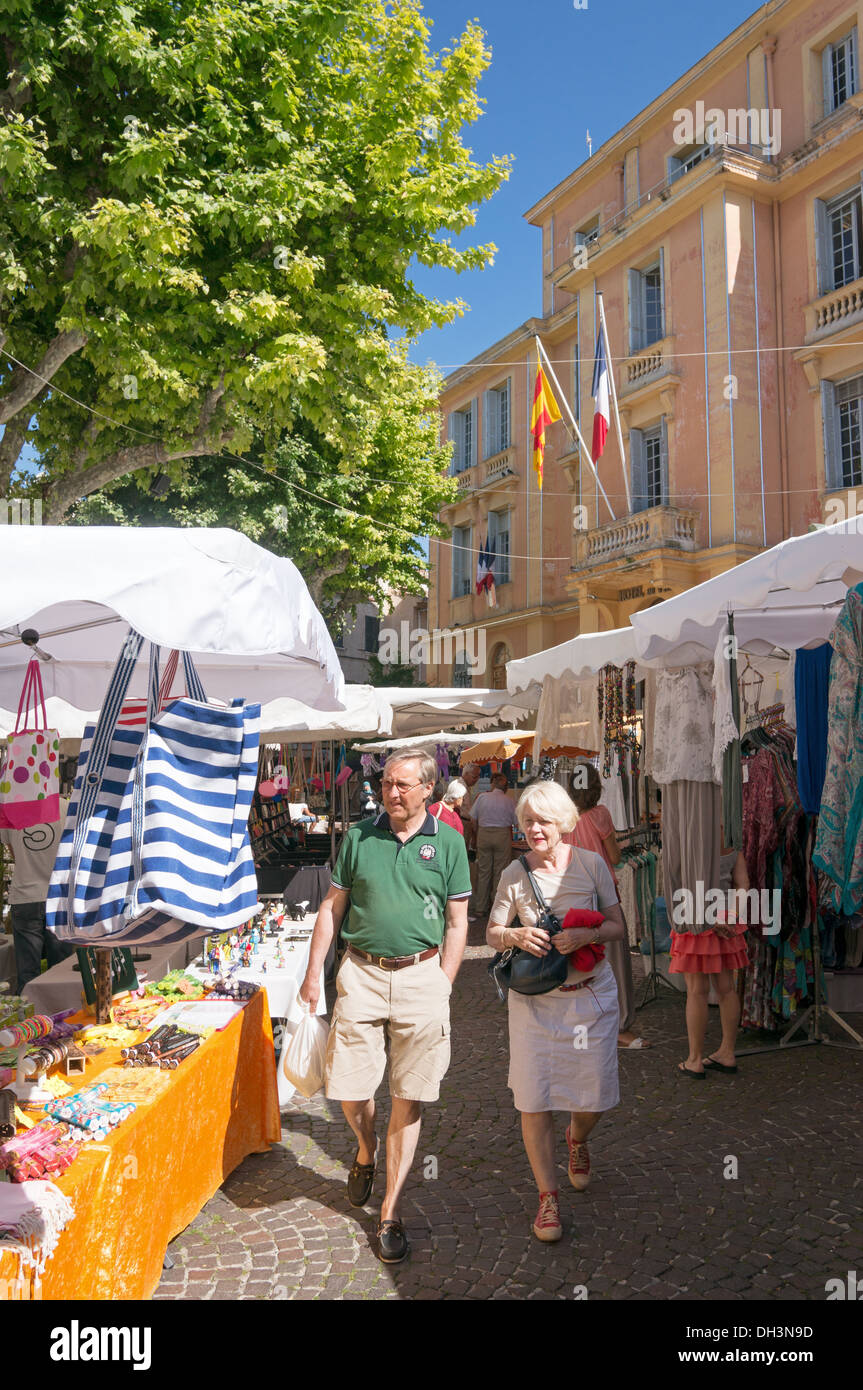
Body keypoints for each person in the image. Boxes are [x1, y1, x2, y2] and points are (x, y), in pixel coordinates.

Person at [299, 750, 470, 1263]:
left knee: (409, 1094)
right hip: (362, 973)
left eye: (403, 785)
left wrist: (444, 982)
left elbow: (459, 922)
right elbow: (332, 910)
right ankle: (365, 1149)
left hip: (423, 976)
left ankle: (390, 1213)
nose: (391, 792)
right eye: (387, 782)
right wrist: (314, 974)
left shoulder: (450, 843)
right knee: (350, 1091)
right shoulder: (359, 838)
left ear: (428, 790)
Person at [487, 780, 625, 1244]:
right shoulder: (512, 873)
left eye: (543, 820)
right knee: (534, 1098)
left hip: (590, 996)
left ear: (564, 822)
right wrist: (515, 937)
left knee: (597, 1095)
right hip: (536, 1004)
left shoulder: (591, 865)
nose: (534, 829)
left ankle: (578, 1138)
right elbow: (491, 931)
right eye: (527, 821)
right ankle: (548, 1196)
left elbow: (619, 926)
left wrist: (589, 936)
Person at [565, 764, 649, 1050]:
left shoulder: (563, 819)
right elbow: (614, 857)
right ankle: (619, 1025)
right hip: (602, 897)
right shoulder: (600, 815)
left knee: (583, 963)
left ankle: (587, 1024)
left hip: (574, 898)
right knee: (613, 963)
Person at [671, 841, 750, 1078]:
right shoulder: (731, 841)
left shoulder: (693, 837)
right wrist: (733, 916)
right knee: (727, 990)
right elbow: (742, 884)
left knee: (697, 990)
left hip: (695, 917)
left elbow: (684, 885)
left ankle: (695, 1059)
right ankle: (727, 1052)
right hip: (727, 920)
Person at [0, 803, 72, 992]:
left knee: (27, 973)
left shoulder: (10, 808)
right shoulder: (66, 807)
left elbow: (14, 852)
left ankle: (29, 1020)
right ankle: (62, 1016)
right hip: (58, 897)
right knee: (60, 971)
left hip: (25, 895)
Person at [470, 771, 518, 920]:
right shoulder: (509, 801)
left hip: (484, 834)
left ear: (492, 784)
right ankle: (496, 908)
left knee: (483, 873)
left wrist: (477, 833)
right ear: (505, 788)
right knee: (500, 872)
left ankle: (480, 908)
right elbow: (516, 822)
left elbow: (472, 818)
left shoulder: (482, 797)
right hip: (502, 835)